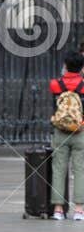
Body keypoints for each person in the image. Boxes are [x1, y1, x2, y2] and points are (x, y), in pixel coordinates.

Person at [49, 51, 84, 221]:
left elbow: (54, 107)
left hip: (60, 132)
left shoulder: (55, 84)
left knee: (59, 169)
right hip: (80, 131)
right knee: (80, 170)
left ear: (65, 65)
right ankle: (79, 210)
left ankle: (58, 209)